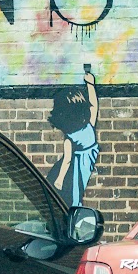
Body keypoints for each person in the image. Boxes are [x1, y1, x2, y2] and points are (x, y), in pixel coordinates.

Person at [46, 64, 100, 208]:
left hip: (76, 169)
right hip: (88, 162)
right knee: (79, 189)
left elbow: (67, 162)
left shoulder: (70, 138)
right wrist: (90, 84)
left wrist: (59, 180)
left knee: (74, 192)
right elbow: (94, 106)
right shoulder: (90, 125)